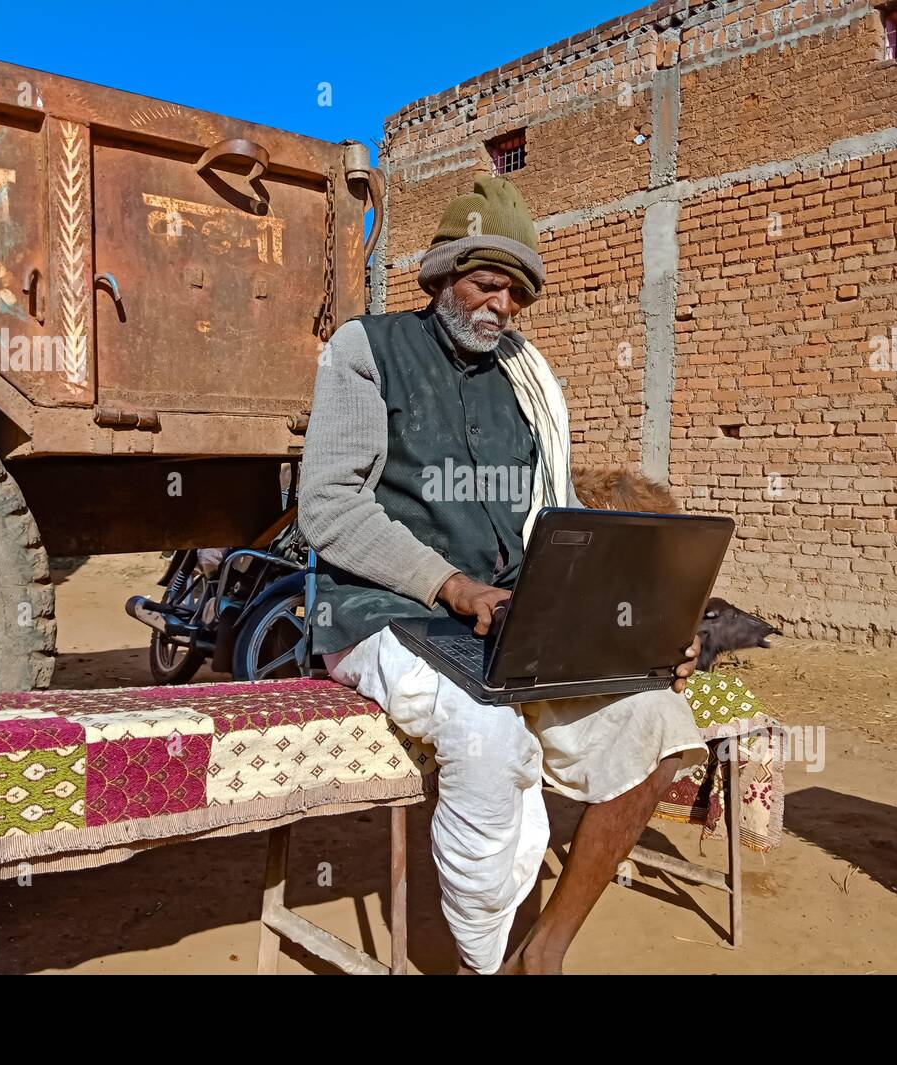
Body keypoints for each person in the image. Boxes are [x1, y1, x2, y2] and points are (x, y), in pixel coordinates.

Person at [299, 175, 707, 974]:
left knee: (659, 719)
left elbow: (555, 531)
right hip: (379, 615)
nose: (503, 305)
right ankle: (484, 965)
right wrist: (448, 585)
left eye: (517, 292)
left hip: (503, 622)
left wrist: (637, 630)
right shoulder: (365, 350)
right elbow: (329, 509)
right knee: (487, 734)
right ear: (444, 271)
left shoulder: (526, 381)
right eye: (489, 282)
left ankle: (541, 954)